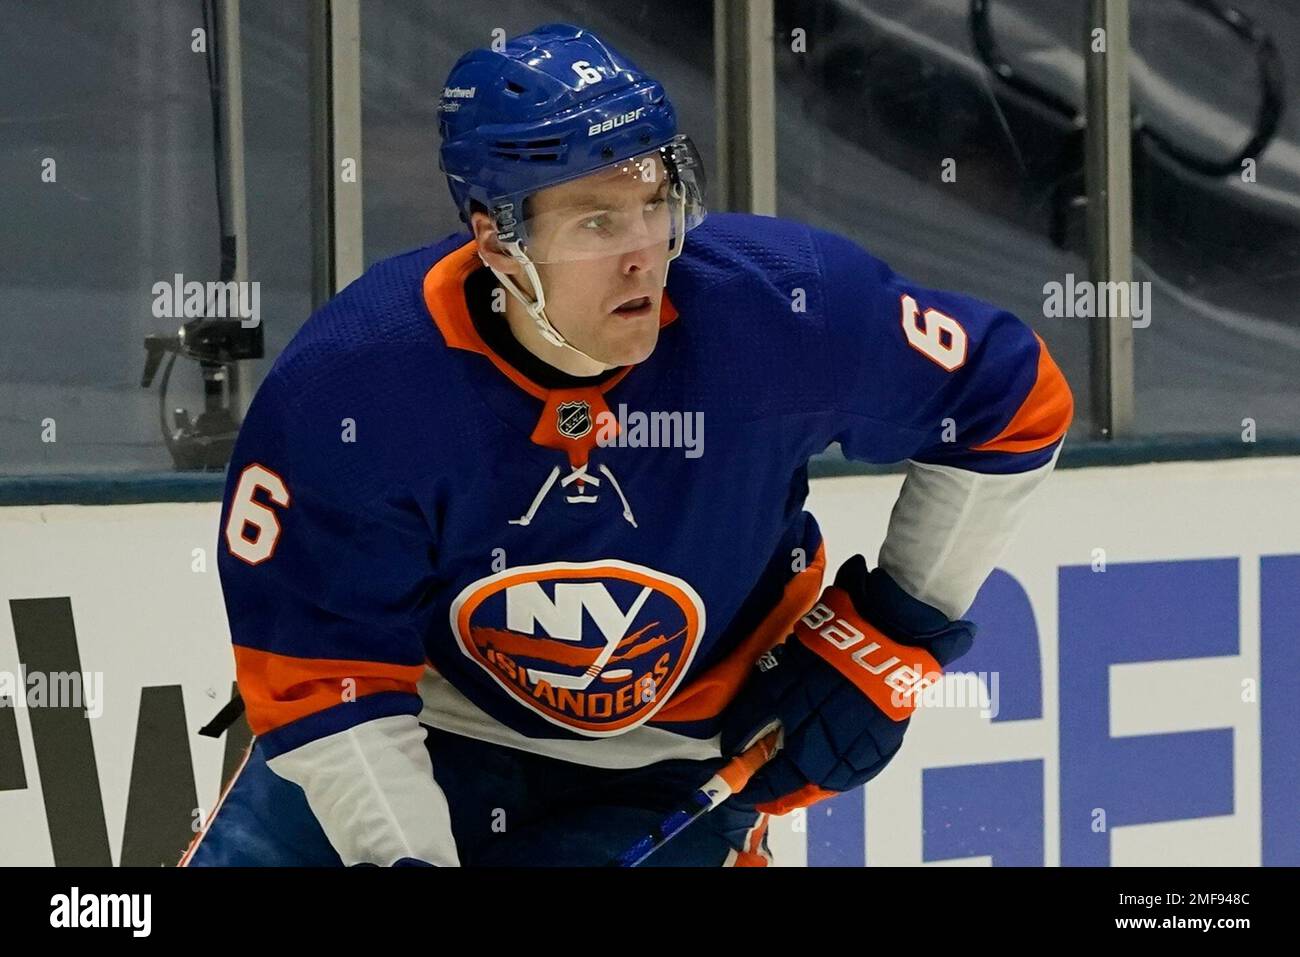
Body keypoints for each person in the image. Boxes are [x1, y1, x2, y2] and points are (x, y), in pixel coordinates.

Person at [181, 22, 1072, 867]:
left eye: (656, 201)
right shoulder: (354, 386)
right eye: (597, 222)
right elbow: (324, 679)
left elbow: (1010, 398)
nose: (646, 250)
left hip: (677, 766)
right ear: (497, 240)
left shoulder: (783, 310)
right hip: (416, 719)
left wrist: (893, 629)